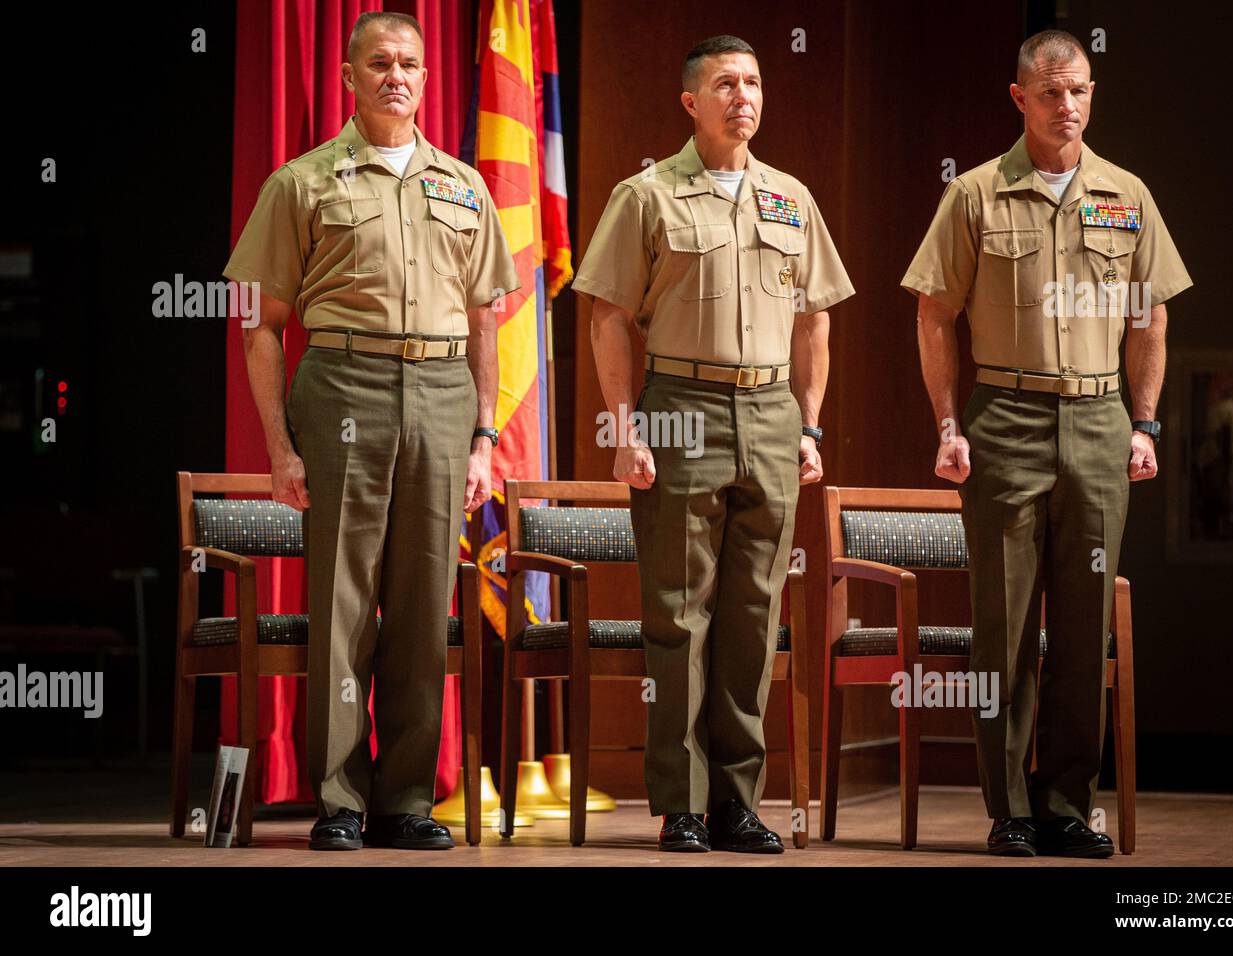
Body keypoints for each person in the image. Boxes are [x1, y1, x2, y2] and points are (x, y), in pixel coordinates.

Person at [224, 11, 518, 850]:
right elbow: (263, 327)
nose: (399, 76)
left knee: (425, 605)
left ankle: (407, 802)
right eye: (381, 63)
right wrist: (281, 448)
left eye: (412, 64)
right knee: (344, 603)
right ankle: (342, 800)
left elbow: (487, 320)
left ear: (428, 80)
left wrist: (483, 438)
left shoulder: (464, 186)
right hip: (344, 382)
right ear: (350, 76)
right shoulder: (303, 181)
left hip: (442, 391)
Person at [901, 29, 1191, 858]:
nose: (1069, 106)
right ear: (1020, 97)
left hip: (1099, 421)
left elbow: (1151, 317)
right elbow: (933, 314)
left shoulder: (1127, 195)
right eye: (1052, 92)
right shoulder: (978, 195)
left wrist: (1144, 423)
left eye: (1082, 91)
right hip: (1006, 415)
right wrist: (949, 425)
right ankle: (1009, 810)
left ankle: (1065, 804)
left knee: (1082, 621)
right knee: (1002, 624)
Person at [574, 35, 854, 852]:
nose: (745, 96)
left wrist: (809, 424)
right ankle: (683, 802)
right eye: (727, 83)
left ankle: (738, 801)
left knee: (753, 619)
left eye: (755, 82)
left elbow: (815, 320)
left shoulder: (791, 198)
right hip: (681, 404)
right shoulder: (648, 194)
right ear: (690, 102)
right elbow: (607, 318)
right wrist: (626, 428)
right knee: (677, 616)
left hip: (768, 412)